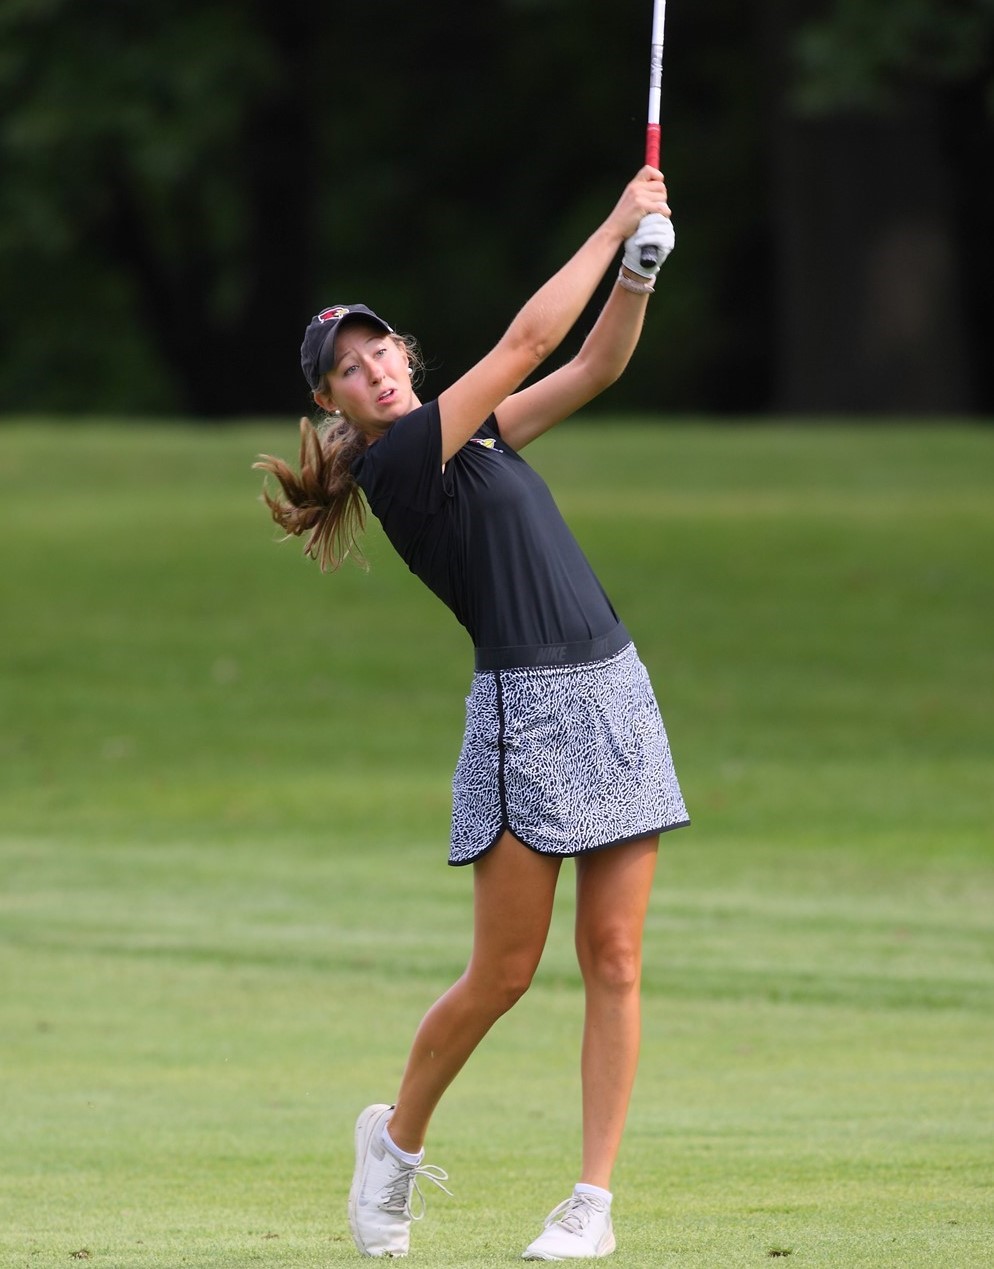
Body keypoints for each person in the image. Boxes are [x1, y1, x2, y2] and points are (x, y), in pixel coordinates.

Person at [255, 165, 689, 1261]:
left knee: (618, 956)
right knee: (504, 972)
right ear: (334, 404)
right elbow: (533, 340)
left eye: (379, 352)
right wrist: (610, 222)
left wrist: (636, 274)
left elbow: (590, 363)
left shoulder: (479, 435)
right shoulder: (402, 461)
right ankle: (392, 1146)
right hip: (524, 713)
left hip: (613, 687)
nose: (372, 374)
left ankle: (589, 1203)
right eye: (346, 373)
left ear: (403, 352)